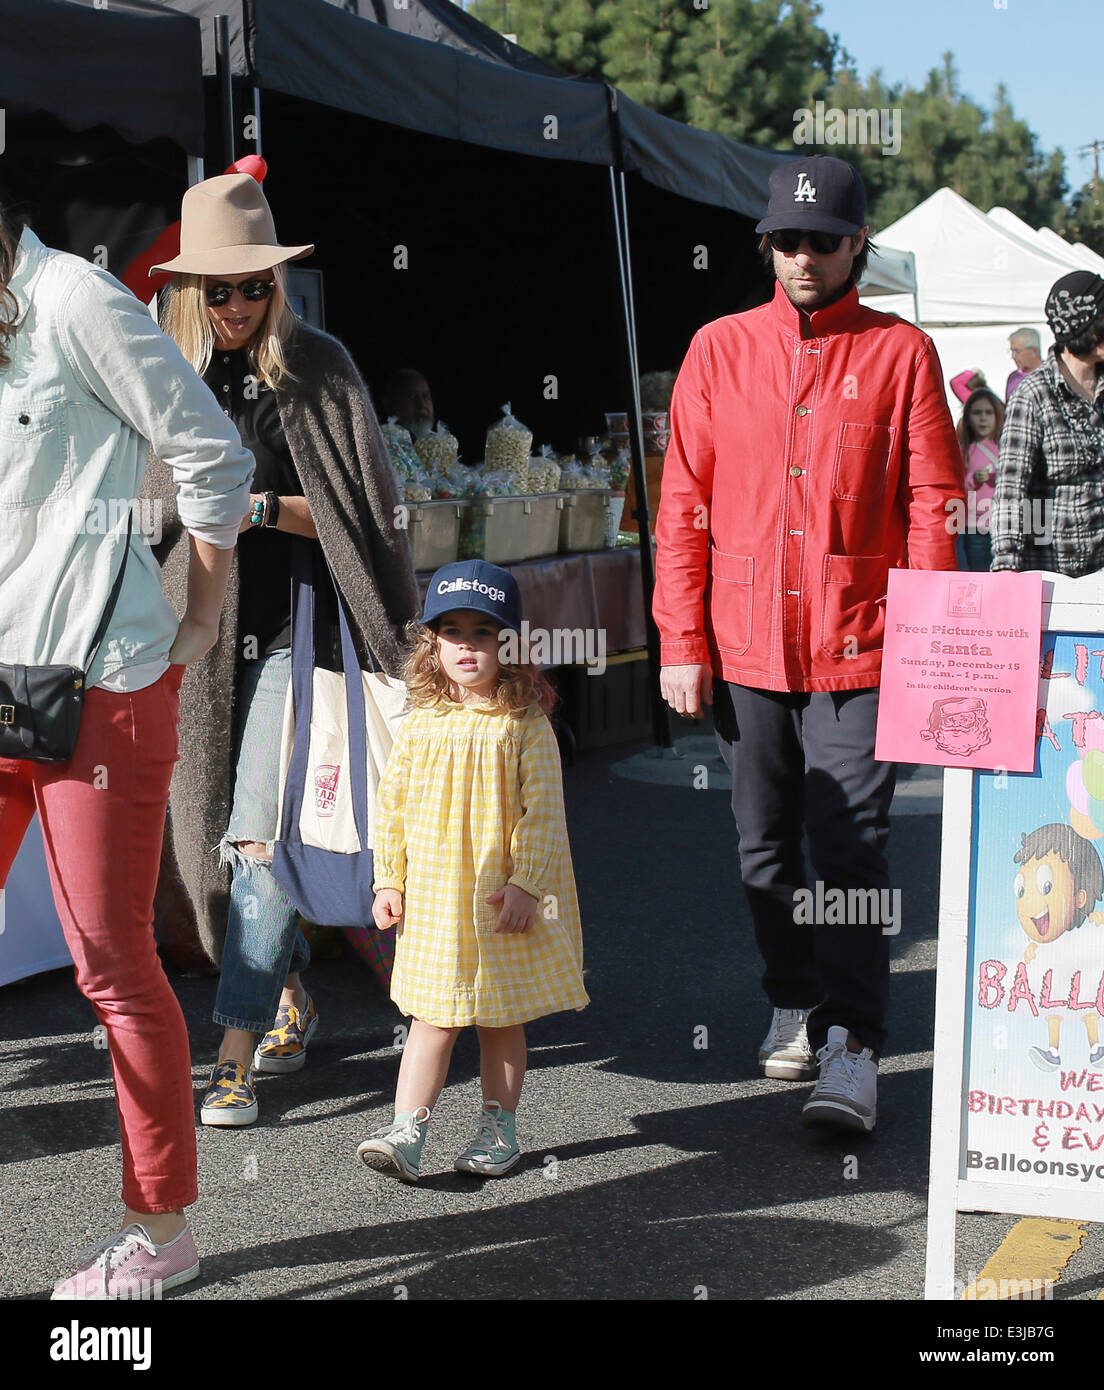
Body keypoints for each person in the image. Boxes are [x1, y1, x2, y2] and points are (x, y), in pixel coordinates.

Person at [652, 155, 963, 1134]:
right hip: (744, 647)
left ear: (856, 243)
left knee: (855, 846)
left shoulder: (903, 354)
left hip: (863, 647)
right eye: (785, 241)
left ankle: (855, 1041)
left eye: (820, 240)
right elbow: (683, 507)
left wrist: (934, 641)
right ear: (764, 246)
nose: (801, 258)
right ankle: (792, 992)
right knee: (763, 849)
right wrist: (679, 639)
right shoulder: (717, 349)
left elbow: (932, 506)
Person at [0, 199, 253, 1296]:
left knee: (113, 965)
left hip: (100, 688)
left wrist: (198, 617)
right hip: (5, 675)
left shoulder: (77, 298)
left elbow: (212, 451)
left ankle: (161, 1236)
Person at [145, 173, 419, 1126]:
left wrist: (254, 507)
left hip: (298, 643)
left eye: (253, 285)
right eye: (217, 289)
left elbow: (369, 516)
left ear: (277, 284)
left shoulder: (321, 368)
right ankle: (286, 985)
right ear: (187, 288)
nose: (235, 305)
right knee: (200, 856)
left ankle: (232, 1057)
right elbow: (136, 515)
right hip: (191, 639)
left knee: (258, 840)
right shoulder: (156, 371)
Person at [357, 560, 589, 1181]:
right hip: (436, 900)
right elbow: (394, 805)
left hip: (499, 900)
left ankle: (498, 1127)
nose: (466, 645)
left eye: (482, 632)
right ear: (432, 643)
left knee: (498, 1017)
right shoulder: (421, 721)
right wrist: (389, 879)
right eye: (452, 631)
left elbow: (543, 814)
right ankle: (407, 1130)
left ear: (508, 643)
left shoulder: (524, 725)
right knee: (431, 1017)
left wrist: (526, 884)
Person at [991, 272, 1104, 578]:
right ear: (1080, 327)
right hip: (1054, 577)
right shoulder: (1033, 395)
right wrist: (1006, 566)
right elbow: (1010, 489)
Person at [956, 387, 1004, 571]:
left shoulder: (1006, 445)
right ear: (968, 417)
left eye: (988, 412)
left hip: (1004, 525)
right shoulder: (965, 450)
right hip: (975, 527)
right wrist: (972, 479)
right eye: (977, 413)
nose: (983, 418)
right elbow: (956, 486)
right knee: (981, 576)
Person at [381, 367, 435, 439]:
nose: (422, 405)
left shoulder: (440, 444)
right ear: (389, 403)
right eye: (411, 397)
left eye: (426, 397)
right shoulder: (380, 442)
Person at [1006, 328, 1044, 401]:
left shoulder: (1050, 376)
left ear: (1034, 351)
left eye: (1017, 351)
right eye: (1012, 351)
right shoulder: (1013, 378)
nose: (1013, 356)